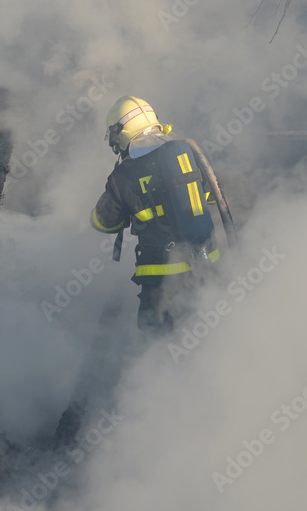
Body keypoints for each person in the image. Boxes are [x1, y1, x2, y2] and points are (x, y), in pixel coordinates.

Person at [90, 96, 222, 334]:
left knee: (159, 347)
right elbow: (213, 197)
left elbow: (105, 222)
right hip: (206, 268)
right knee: (206, 336)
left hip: (161, 282)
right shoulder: (187, 155)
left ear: (121, 132)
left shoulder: (124, 175)